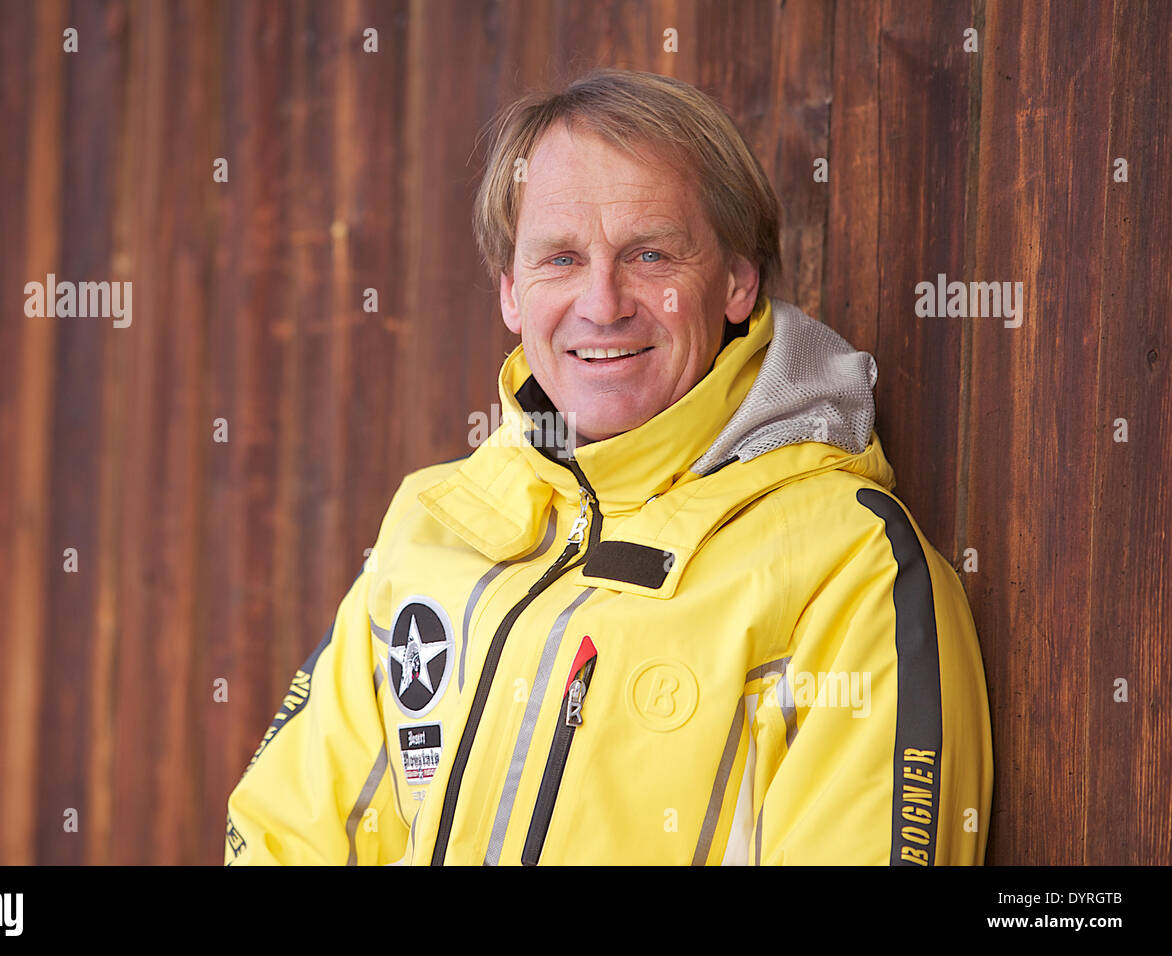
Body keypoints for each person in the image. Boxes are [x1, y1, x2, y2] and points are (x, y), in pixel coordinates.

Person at [224, 67, 993, 866]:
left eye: (651, 254)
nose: (603, 301)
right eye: (559, 259)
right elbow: (284, 837)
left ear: (737, 279)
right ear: (510, 293)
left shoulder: (852, 568)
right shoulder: (434, 522)